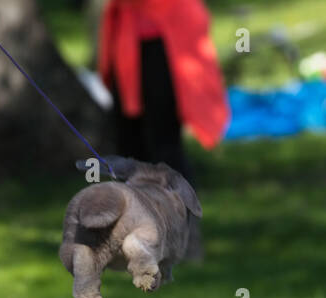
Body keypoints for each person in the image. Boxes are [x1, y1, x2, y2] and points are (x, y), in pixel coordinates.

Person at [98, 0, 229, 183]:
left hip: (165, 41)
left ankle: (176, 203)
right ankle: (137, 202)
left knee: (164, 137)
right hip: (128, 43)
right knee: (129, 137)